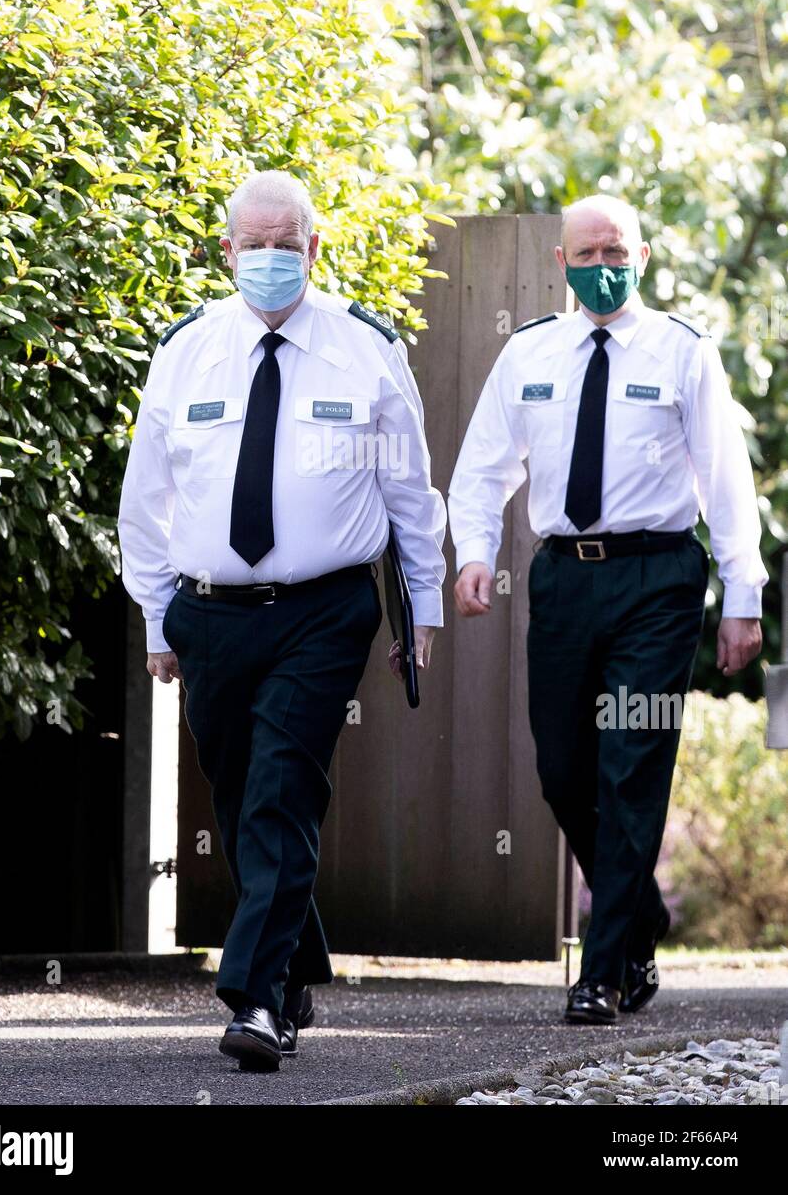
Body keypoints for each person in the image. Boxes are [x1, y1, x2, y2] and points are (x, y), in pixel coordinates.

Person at [117, 170, 446, 1069]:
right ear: (227, 252)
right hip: (210, 615)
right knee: (239, 795)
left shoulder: (365, 350)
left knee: (280, 788)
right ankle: (296, 963)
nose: (268, 258)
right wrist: (156, 620)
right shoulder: (186, 353)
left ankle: (254, 998)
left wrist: (420, 609)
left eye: (284, 242)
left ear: (314, 246)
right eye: (250, 244)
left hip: (324, 609)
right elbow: (145, 502)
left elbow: (410, 495)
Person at [448, 193, 766, 1025]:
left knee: (632, 765)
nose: (601, 268)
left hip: (658, 581)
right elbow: (483, 468)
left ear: (645, 255)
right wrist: (474, 552)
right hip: (562, 581)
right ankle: (642, 922)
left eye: (615, 252)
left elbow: (725, 481)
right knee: (563, 772)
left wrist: (743, 596)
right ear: (560, 264)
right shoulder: (528, 355)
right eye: (585, 255)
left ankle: (603, 972)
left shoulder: (684, 353)